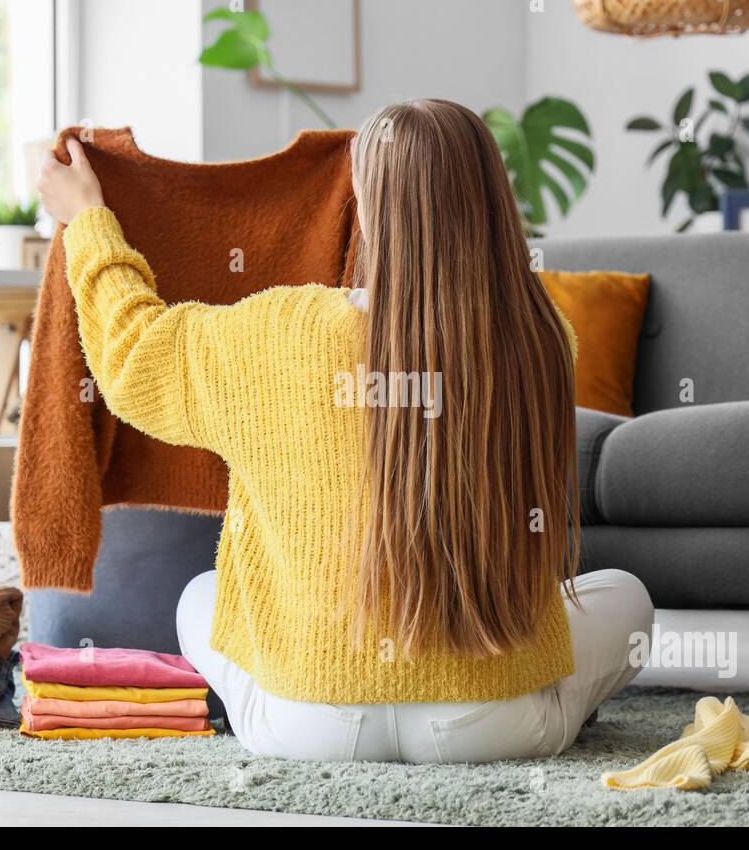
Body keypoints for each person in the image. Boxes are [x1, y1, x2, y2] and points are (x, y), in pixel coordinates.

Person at [36, 98, 652, 763]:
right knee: (629, 599)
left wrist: (89, 222)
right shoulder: (543, 339)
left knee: (198, 597)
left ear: (362, 198)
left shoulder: (279, 331)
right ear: (492, 200)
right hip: (489, 722)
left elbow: (134, 354)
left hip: (310, 723)